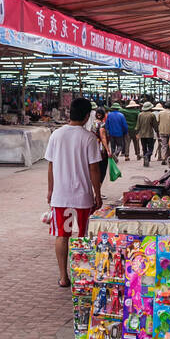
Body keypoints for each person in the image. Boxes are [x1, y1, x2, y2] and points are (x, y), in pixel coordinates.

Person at [46, 97, 104, 287]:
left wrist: (50, 190)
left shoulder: (56, 134)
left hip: (60, 196)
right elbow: (94, 170)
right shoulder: (88, 138)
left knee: (62, 235)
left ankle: (63, 277)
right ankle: (81, 276)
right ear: (88, 116)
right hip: (82, 197)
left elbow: (50, 166)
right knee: (82, 236)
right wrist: (98, 193)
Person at [134, 101, 157, 167]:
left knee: (144, 148)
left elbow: (137, 125)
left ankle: (145, 161)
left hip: (142, 135)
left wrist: (136, 133)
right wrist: (157, 132)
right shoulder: (152, 115)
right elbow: (155, 125)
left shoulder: (140, 114)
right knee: (150, 149)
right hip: (150, 134)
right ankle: (147, 157)